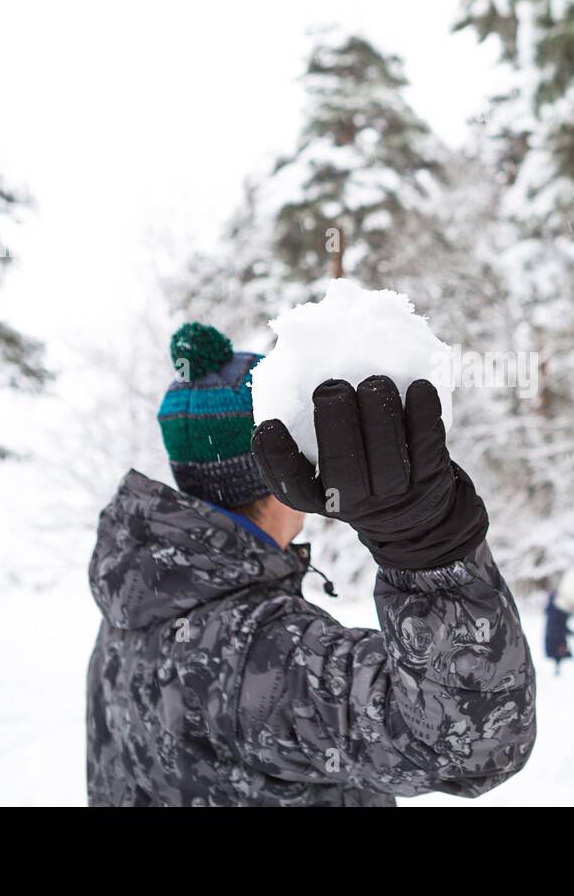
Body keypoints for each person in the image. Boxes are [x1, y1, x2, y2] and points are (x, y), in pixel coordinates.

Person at [86, 322, 536, 806]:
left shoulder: (139, 601)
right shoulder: (263, 647)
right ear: (277, 470)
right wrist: (429, 554)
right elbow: (471, 747)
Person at [544, 587, 574, 675]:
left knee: (559, 656)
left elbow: (561, 625)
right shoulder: (556, 610)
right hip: (556, 639)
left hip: (554, 638)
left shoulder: (552, 610)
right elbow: (558, 626)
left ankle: (558, 670)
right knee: (560, 655)